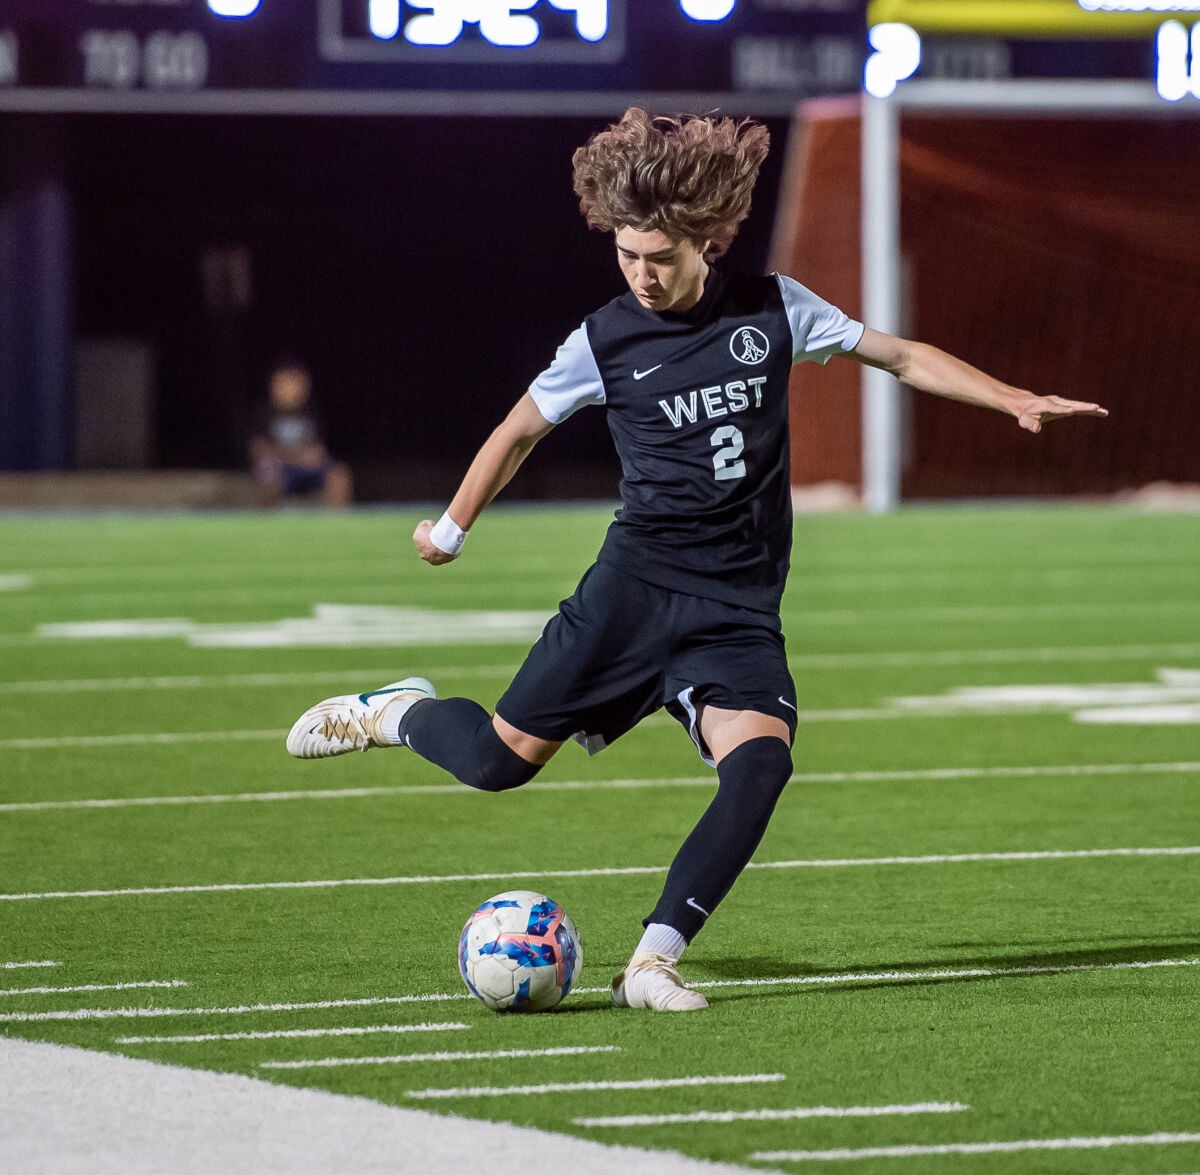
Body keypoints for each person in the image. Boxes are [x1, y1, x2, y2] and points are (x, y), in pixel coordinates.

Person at [284, 108, 1106, 1010]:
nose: (641, 273)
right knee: (495, 764)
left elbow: (901, 356)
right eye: (626, 254)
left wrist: (1010, 396)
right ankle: (398, 711)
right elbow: (519, 429)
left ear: (707, 242)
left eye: (660, 257)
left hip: (736, 610)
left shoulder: (773, 307)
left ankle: (651, 961)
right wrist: (452, 526)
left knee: (761, 764)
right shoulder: (603, 339)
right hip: (632, 594)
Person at [249, 357, 352, 509]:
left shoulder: (311, 411)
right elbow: (259, 450)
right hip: (280, 468)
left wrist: (307, 458)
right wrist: (295, 457)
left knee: (339, 474)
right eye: (285, 383)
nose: (291, 389)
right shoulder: (263, 413)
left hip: (309, 468)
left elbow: (319, 449)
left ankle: (337, 520)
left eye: (296, 383)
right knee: (268, 473)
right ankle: (266, 520)